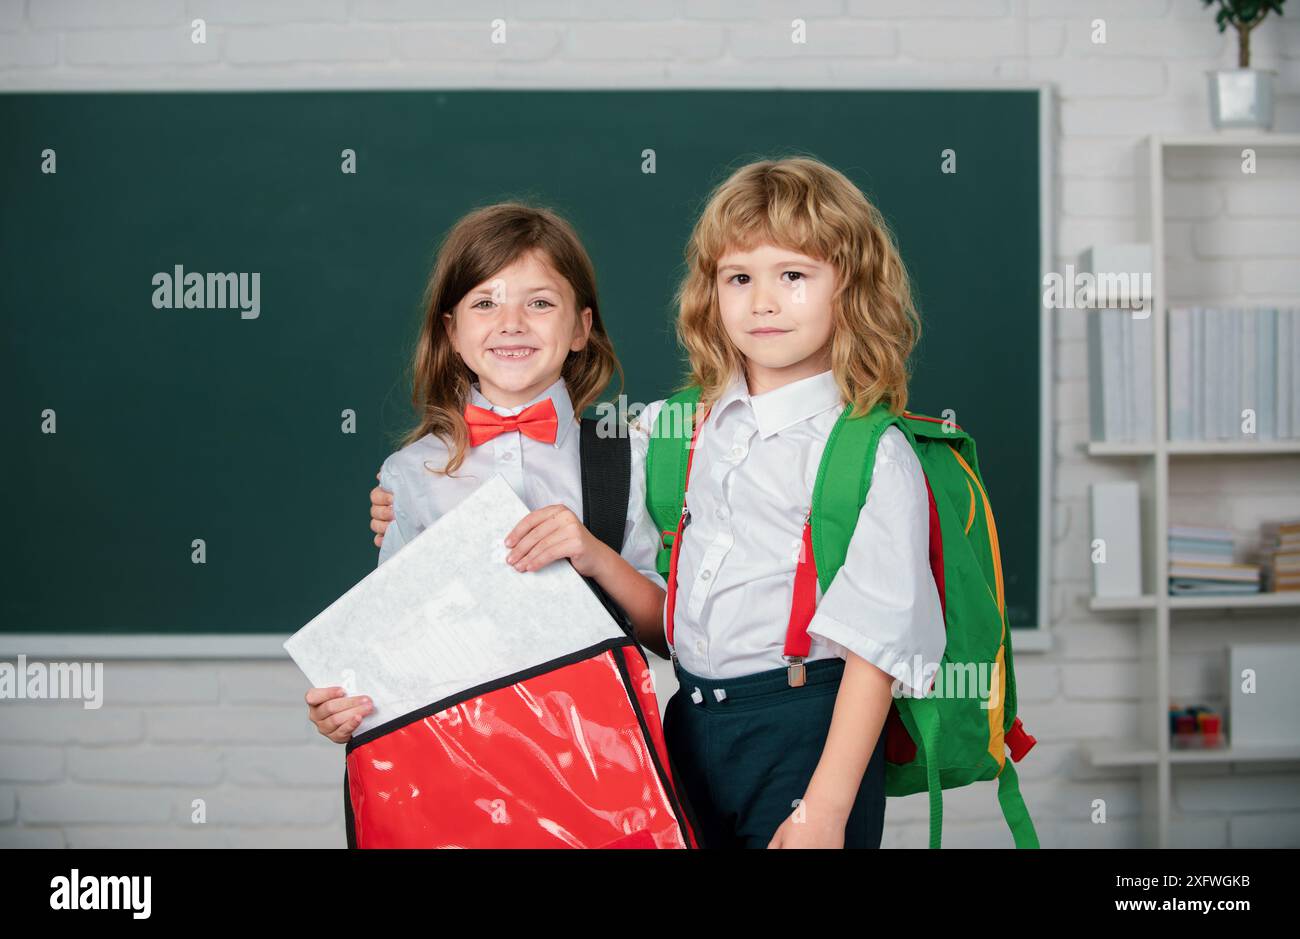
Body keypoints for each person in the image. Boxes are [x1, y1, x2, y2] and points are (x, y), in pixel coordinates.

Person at [307, 202, 669, 745]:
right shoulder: (411, 473)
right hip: (463, 753)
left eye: (540, 303)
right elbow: (393, 641)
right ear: (451, 332)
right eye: (485, 303)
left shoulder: (630, 454)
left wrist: (594, 554)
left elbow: (667, 631)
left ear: (580, 328)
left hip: (597, 751)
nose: (511, 323)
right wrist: (346, 706)